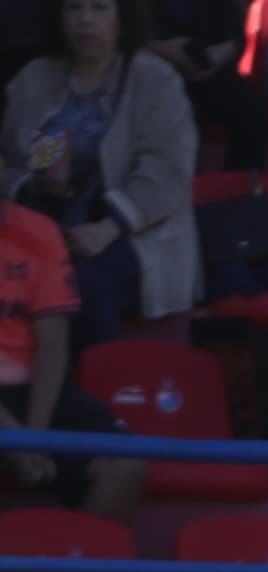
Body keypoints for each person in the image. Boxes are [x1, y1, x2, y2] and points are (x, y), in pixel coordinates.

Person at [7, 0, 202, 353]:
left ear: (122, 21)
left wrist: (107, 228)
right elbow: (10, 161)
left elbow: (167, 173)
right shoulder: (34, 78)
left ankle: (97, 396)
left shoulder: (155, 79)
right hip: (46, 226)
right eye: (73, 9)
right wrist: (38, 184)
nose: (85, 20)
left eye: (100, 9)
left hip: (134, 232)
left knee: (78, 285)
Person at [1, 154, 138, 520]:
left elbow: (53, 345)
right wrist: (12, 436)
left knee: (123, 464)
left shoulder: (38, 232)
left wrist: (35, 438)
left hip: (31, 388)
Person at [141, 0, 266, 177]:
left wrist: (219, 55)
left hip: (207, 65)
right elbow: (120, 37)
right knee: (180, 125)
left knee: (254, 114)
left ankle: (237, 190)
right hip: (150, 69)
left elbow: (236, 36)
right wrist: (167, 51)